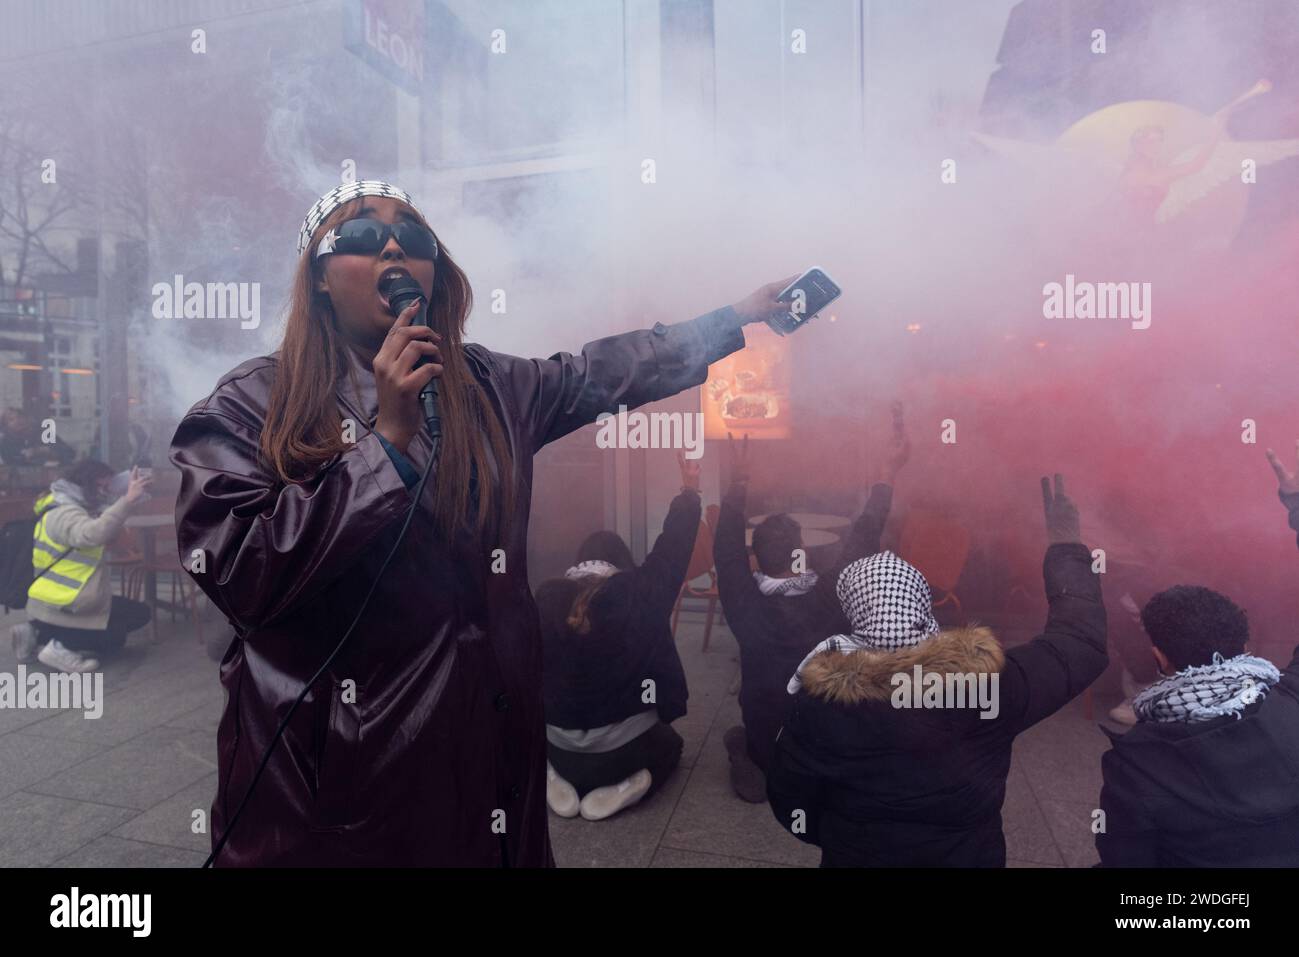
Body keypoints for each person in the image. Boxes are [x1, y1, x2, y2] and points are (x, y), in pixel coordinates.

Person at [168, 179, 795, 866]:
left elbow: (606, 371)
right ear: (318, 276)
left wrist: (739, 315)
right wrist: (385, 446)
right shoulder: (247, 405)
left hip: (489, 746)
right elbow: (239, 572)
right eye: (359, 233)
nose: (391, 244)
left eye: (414, 236)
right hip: (340, 774)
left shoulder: (489, 386)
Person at [767, 475, 1108, 867]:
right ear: (922, 605)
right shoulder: (987, 686)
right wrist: (1066, 543)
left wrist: (841, 836)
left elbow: (789, 797)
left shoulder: (819, 698)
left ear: (853, 612)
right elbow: (1080, 644)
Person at [1094, 444, 1299, 867]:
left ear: (1160, 659)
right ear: (1244, 647)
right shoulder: (1294, 699)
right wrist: (1297, 506)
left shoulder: (1137, 765)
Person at [712, 410, 910, 803]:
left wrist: (738, 483)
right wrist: (886, 475)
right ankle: (798, 770)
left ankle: (754, 761)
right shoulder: (830, 596)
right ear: (801, 554)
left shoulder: (744, 606)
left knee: (743, 736)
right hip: (823, 745)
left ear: (756, 558)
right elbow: (865, 535)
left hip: (770, 739)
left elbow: (726, 552)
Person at [538, 452, 700, 822]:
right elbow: (673, 549)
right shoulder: (638, 594)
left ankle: (554, 777)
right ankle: (624, 787)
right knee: (670, 745)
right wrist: (689, 491)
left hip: (558, 745)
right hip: (623, 752)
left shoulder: (545, 600)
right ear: (620, 562)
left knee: (561, 739)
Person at [9, 461, 154, 673]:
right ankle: (62, 648)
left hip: (59, 597)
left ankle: (35, 632)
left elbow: (105, 532)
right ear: (86, 484)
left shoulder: (74, 504)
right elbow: (92, 534)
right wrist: (127, 501)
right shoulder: (63, 512)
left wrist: (127, 498)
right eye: (102, 487)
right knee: (115, 637)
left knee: (137, 613)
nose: (105, 492)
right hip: (67, 598)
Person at [0, 408, 76, 466]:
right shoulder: (6, 442)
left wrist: (46, 451)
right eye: (11, 419)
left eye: (19, 417)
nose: (17, 420)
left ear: (26, 418)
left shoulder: (43, 432)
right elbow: (11, 461)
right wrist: (28, 456)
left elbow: (69, 453)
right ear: (5, 427)